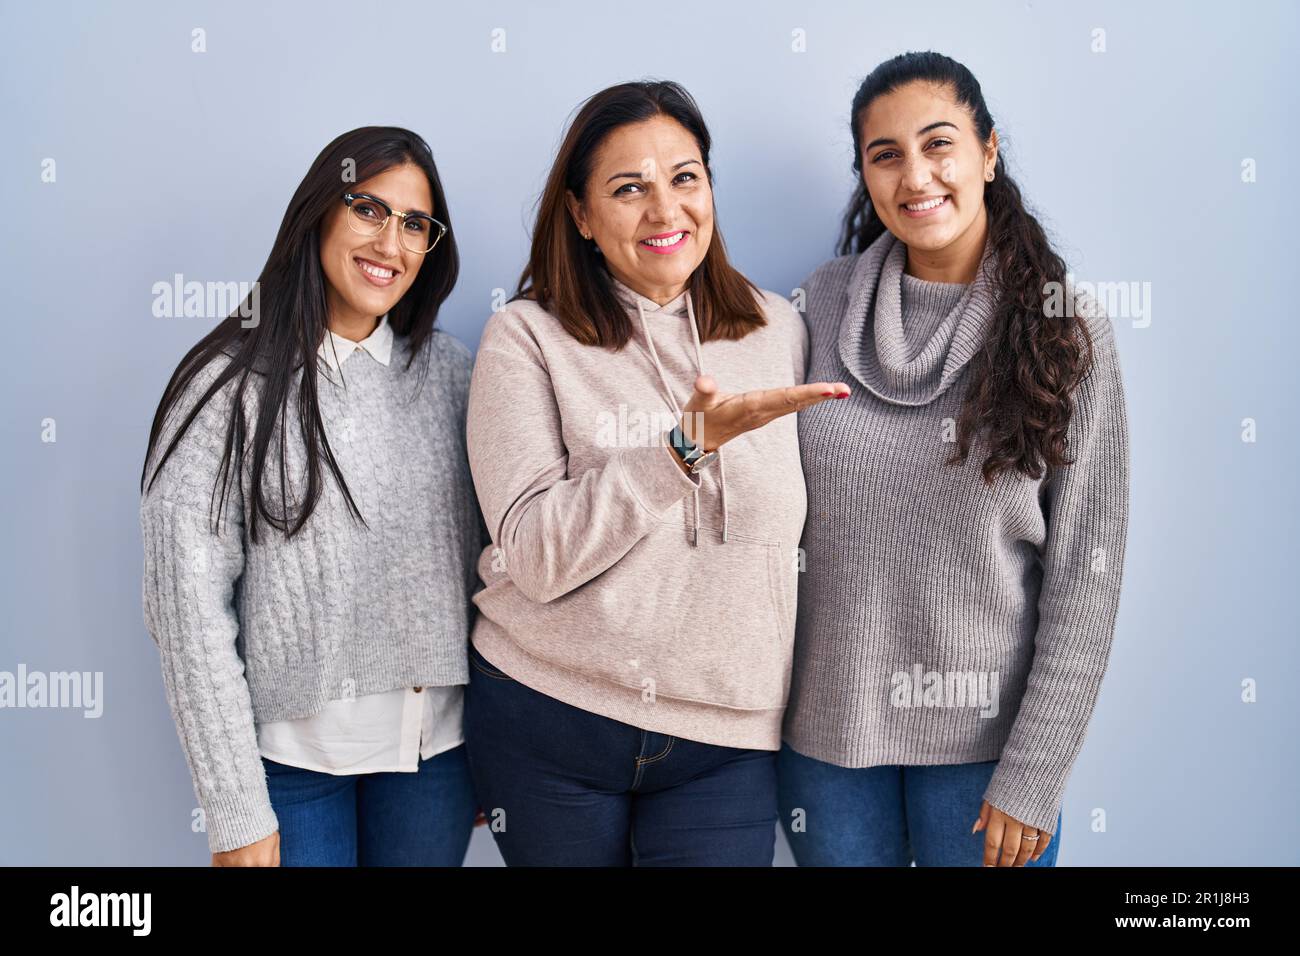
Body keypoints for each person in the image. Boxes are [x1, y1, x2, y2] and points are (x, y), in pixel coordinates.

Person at [462, 80, 848, 866]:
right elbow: (534, 556)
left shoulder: (781, 330)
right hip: (550, 712)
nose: (664, 209)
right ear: (580, 215)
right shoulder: (525, 338)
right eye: (628, 188)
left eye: (685, 177)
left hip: (726, 735)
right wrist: (684, 450)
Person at [779, 52, 1131, 867]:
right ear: (865, 175)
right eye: (886, 154)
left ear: (989, 152)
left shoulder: (1064, 327)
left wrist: (1034, 773)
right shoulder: (817, 304)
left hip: (985, 759)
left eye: (939, 143)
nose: (916, 175)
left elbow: (1088, 572)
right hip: (827, 746)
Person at [139, 127, 481, 866]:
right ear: (320, 213)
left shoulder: (454, 376)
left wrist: (500, 747)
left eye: (415, 224)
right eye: (368, 209)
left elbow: (495, 571)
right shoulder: (225, 386)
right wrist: (234, 809)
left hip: (434, 764)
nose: (391, 242)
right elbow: (185, 610)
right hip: (290, 773)